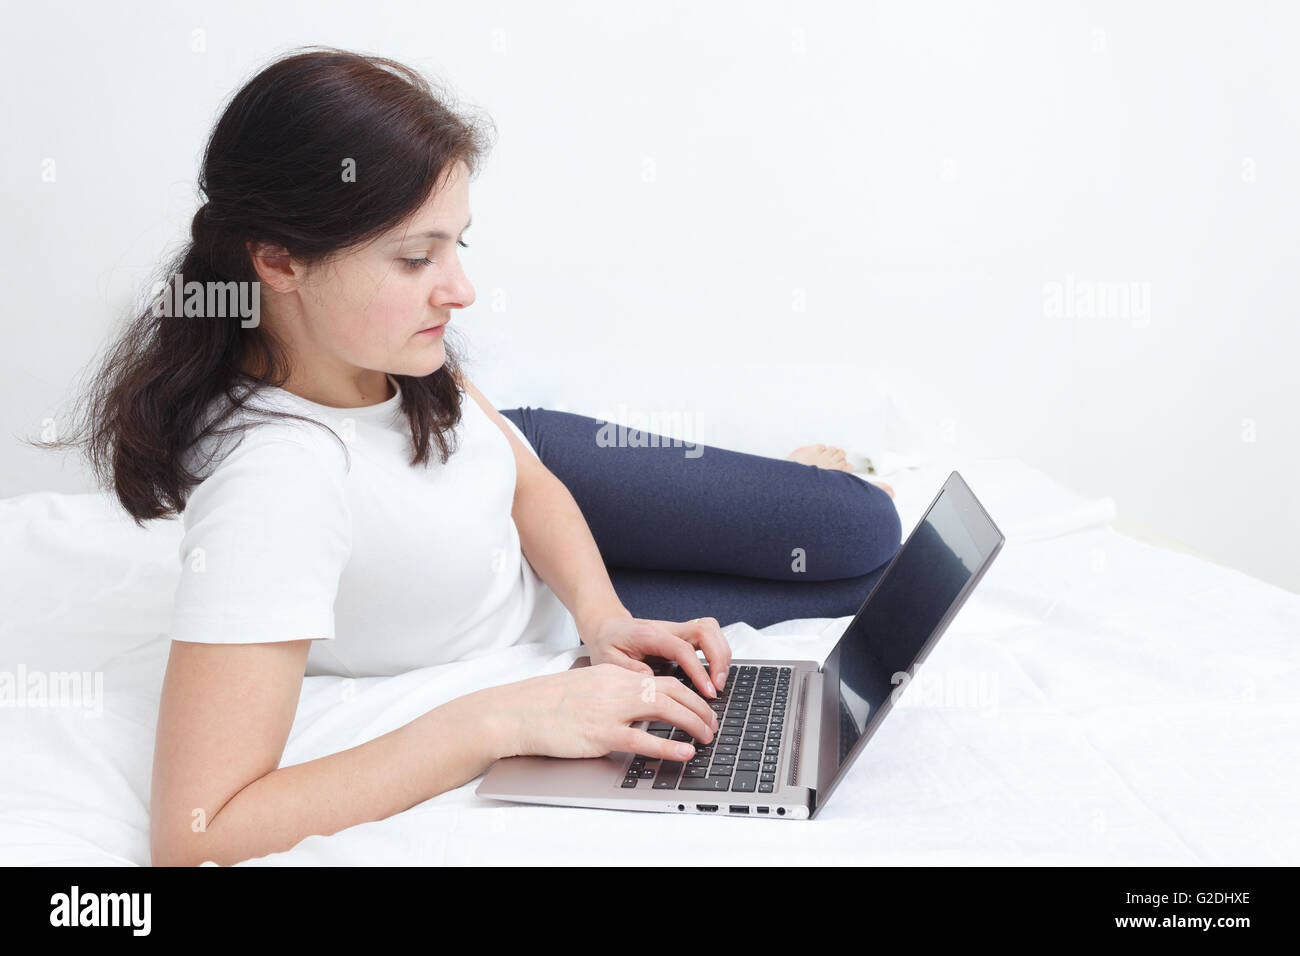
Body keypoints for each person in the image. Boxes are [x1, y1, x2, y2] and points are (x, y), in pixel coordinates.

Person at [54, 47, 901, 866]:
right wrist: (501, 720)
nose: (458, 288)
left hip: (527, 480)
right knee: (863, 583)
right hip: (513, 590)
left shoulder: (381, 350)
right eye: (416, 257)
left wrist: (603, 617)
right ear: (277, 260)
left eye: (459, 245)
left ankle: (793, 472)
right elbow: (197, 835)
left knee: (859, 523)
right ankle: (783, 483)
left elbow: (528, 478)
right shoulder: (276, 484)